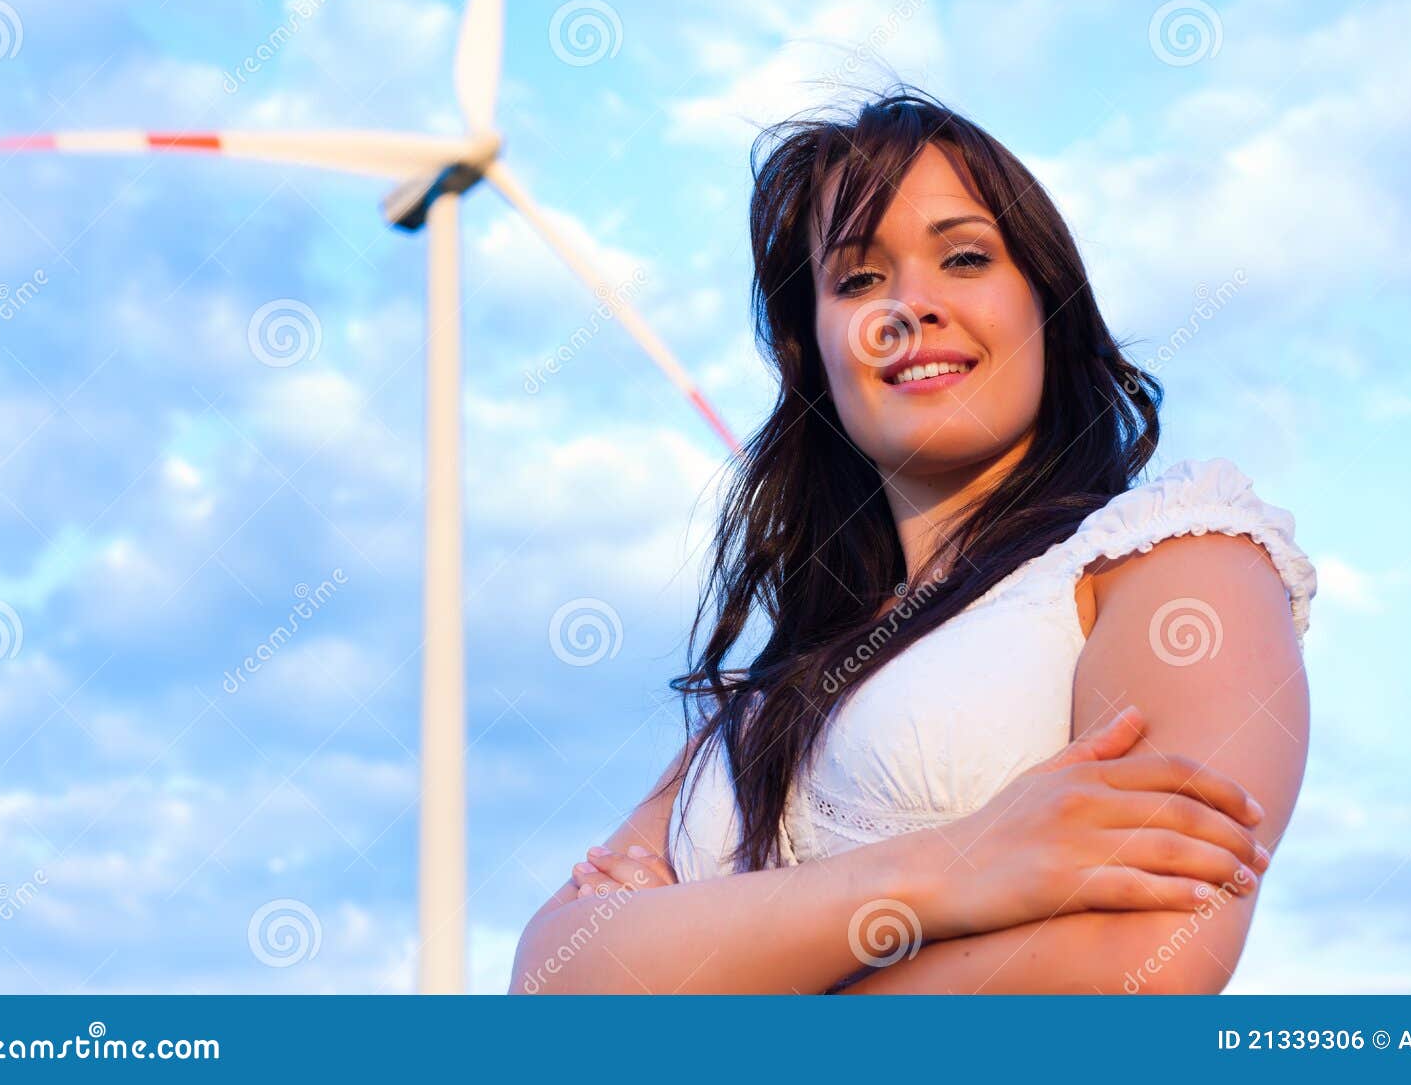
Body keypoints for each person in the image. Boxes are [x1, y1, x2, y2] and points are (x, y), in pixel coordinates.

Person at [510, 86, 1316, 994]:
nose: (908, 309)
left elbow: (1134, 966)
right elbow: (552, 980)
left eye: (965, 257)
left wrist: (684, 967)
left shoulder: (1172, 561)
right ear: (811, 351)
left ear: (1048, 304)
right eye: (857, 280)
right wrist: (958, 866)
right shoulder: (759, 706)